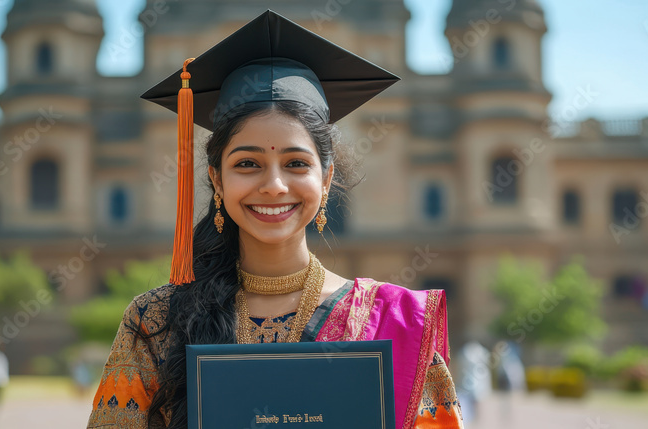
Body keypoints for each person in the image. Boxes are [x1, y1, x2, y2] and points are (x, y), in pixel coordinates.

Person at [86, 10, 463, 429]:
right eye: (247, 163)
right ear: (216, 178)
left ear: (327, 178)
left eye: (296, 163)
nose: (274, 185)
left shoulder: (397, 322)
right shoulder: (155, 324)